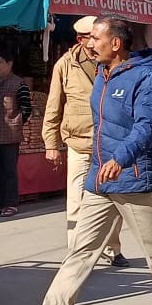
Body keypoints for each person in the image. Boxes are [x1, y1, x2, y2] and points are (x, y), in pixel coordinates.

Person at [10, 17, 152, 305]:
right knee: (82, 247)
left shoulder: (145, 76)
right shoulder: (103, 74)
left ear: (115, 43)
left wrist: (121, 159)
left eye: (95, 38)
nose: (90, 44)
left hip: (132, 177)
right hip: (100, 178)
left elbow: (146, 127)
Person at [42, 16, 126, 266]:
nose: (96, 42)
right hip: (78, 143)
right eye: (93, 37)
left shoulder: (115, 63)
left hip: (110, 144)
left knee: (111, 200)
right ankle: (77, 254)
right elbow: (53, 106)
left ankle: (112, 249)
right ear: (81, 39)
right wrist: (50, 143)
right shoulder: (65, 65)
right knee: (77, 202)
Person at [0, 49, 32, 218]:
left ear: (10, 64)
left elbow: (27, 108)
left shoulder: (19, 84)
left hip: (9, 134)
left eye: (0, 62)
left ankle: (11, 204)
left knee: (9, 171)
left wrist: (16, 123)